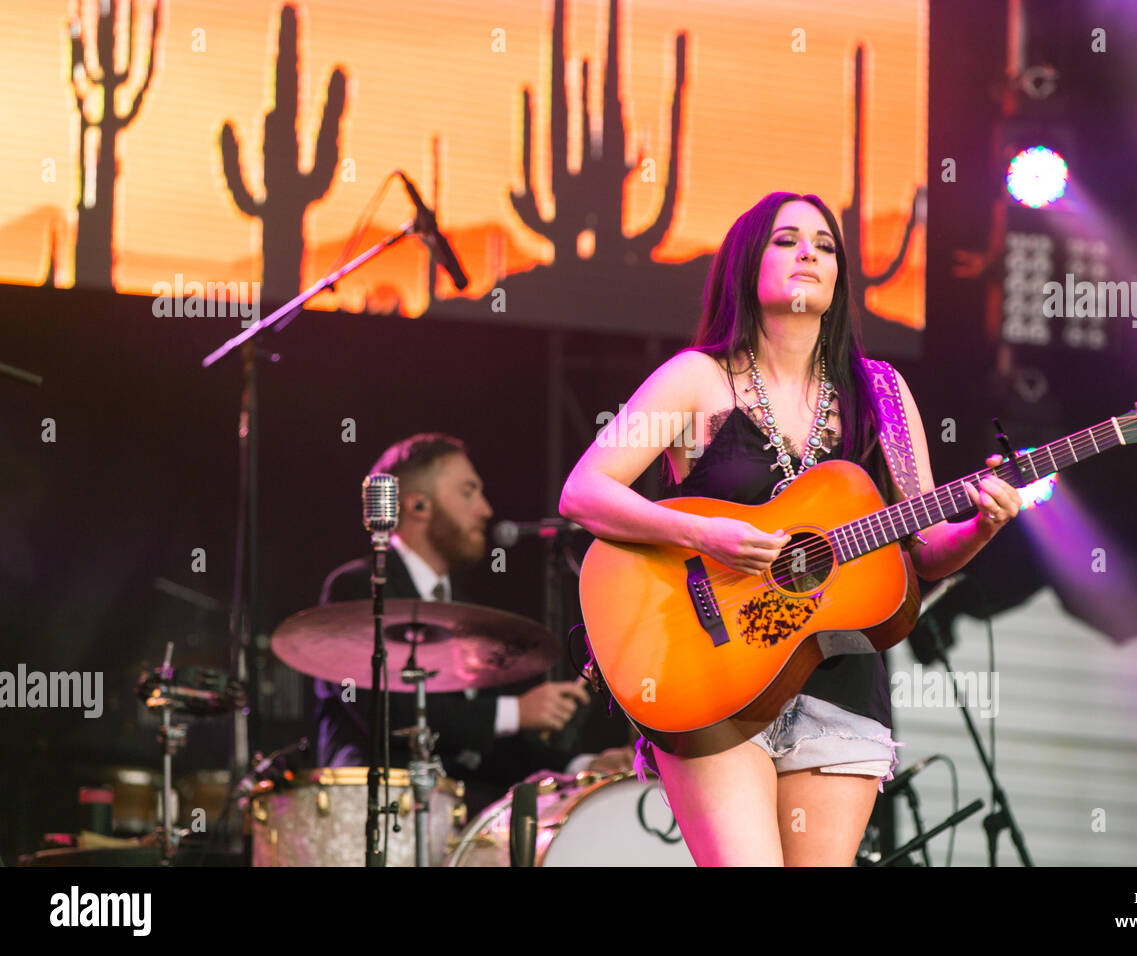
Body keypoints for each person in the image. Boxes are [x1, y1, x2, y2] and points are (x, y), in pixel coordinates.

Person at [558, 193, 1022, 866]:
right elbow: (584, 493)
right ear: (747, 266)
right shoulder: (697, 379)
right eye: (787, 240)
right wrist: (704, 536)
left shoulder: (883, 395)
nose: (810, 252)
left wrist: (980, 528)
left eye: (826, 246)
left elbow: (922, 554)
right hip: (710, 672)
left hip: (841, 680)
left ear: (837, 282)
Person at [314, 432, 634, 818]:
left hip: (461, 810)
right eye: (468, 492)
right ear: (417, 504)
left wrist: (582, 767)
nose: (485, 509)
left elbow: (482, 744)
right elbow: (388, 715)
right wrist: (516, 712)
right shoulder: (360, 588)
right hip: (378, 813)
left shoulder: (461, 610)